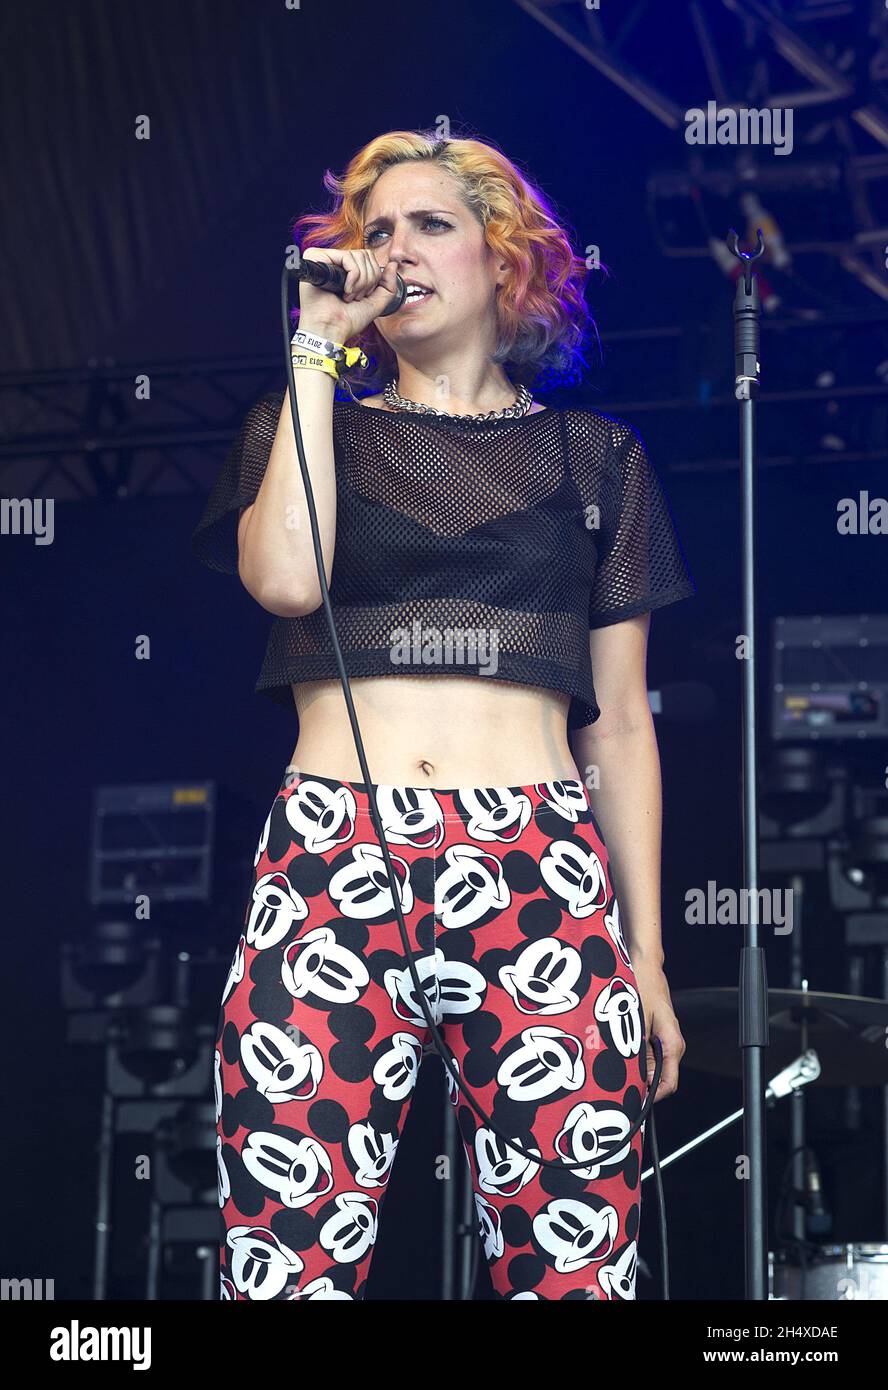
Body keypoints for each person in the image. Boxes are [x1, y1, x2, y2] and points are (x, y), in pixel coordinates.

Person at [192, 128, 696, 1301]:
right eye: (375, 231)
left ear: (504, 259)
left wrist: (648, 953)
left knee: (573, 1255)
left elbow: (617, 724)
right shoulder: (307, 425)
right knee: (287, 1248)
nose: (396, 251)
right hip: (336, 849)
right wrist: (318, 351)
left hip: (536, 862)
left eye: (431, 224)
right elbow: (285, 584)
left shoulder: (598, 461)